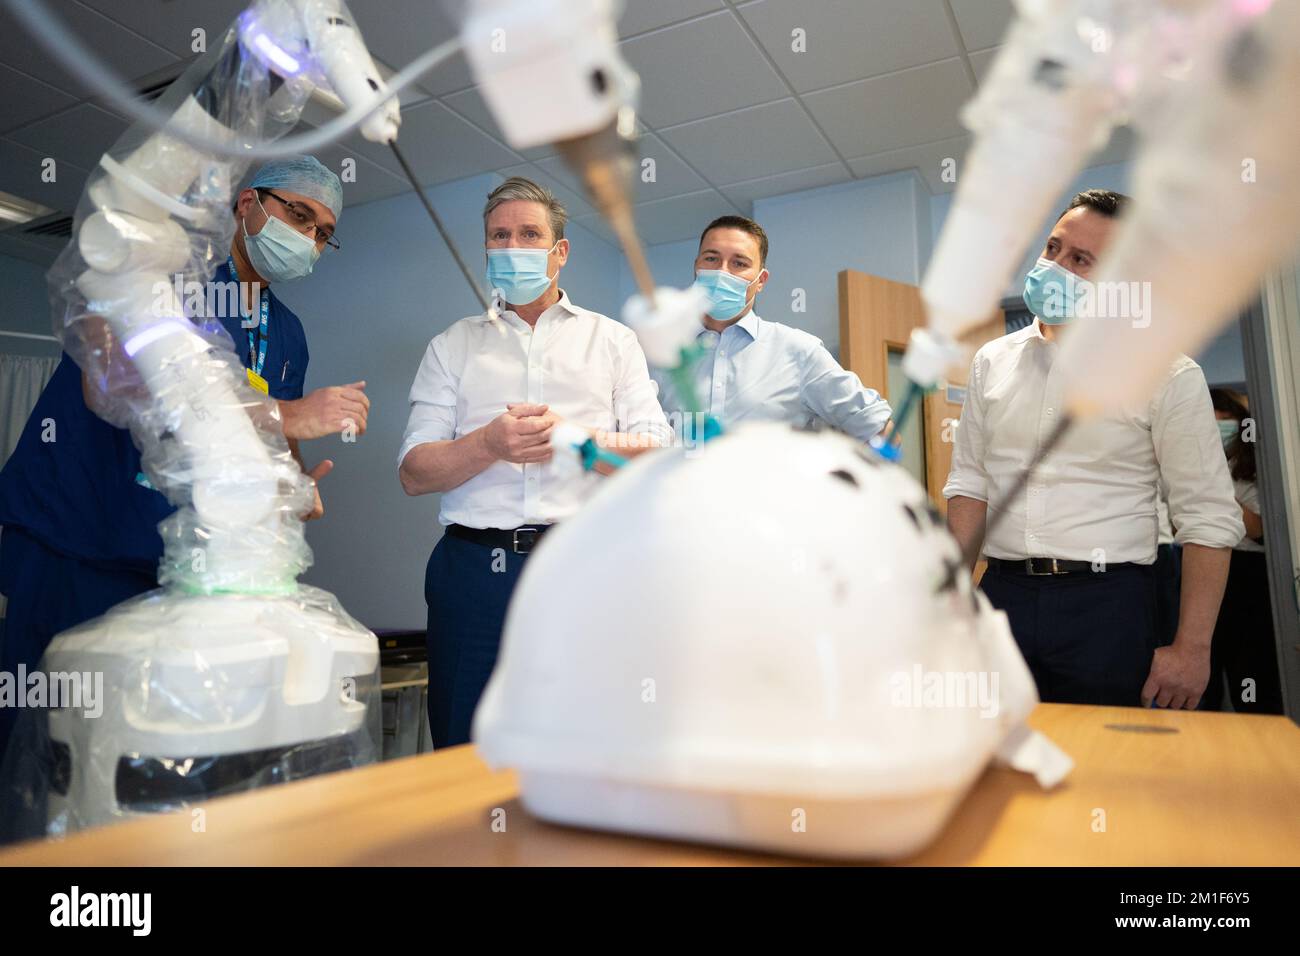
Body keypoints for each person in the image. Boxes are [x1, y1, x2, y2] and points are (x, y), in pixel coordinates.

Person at [0, 156, 369, 758]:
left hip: (181, 567)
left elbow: (272, 431)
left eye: (323, 234)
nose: (308, 239)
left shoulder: (288, 332)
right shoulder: (165, 276)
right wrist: (287, 414)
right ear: (247, 203)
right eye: (299, 216)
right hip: (79, 542)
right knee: (44, 743)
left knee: (134, 753)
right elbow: (115, 384)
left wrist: (292, 483)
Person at [398, 176, 670, 748]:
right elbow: (414, 472)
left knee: (587, 737)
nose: (513, 247)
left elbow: (657, 456)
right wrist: (488, 445)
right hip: (471, 574)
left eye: (529, 234)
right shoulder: (452, 346)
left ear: (559, 252)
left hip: (582, 567)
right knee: (461, 740)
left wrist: (576, 439)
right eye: (500, 236)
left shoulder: (613, 341)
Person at [945, 189, 1243, 709]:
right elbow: (970, 485)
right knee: (992, 757)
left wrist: (1191, 648)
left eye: (1080, 259)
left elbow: (1208, 517)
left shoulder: (1168, 374)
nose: (1054, 266)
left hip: (1108, 607)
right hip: (1002, 597)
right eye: (1053, 248)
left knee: (1107, 767)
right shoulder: (992, 361)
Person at [652, 215, 891, 440]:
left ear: (761, 281)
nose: (722, 271)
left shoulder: (799, 351)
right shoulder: (662, 354)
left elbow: (880, 430)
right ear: (697, 267)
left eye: (739, 263)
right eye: (711, 258)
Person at [1204, 388, 1283, 713]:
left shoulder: (1258, 462)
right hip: (1208, 562)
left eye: (1225, 421)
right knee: (1209, 668)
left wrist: (1218, 490)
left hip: (1250, 573)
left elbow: (1258, 529)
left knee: (1251, 671)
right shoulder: (1215, 461)